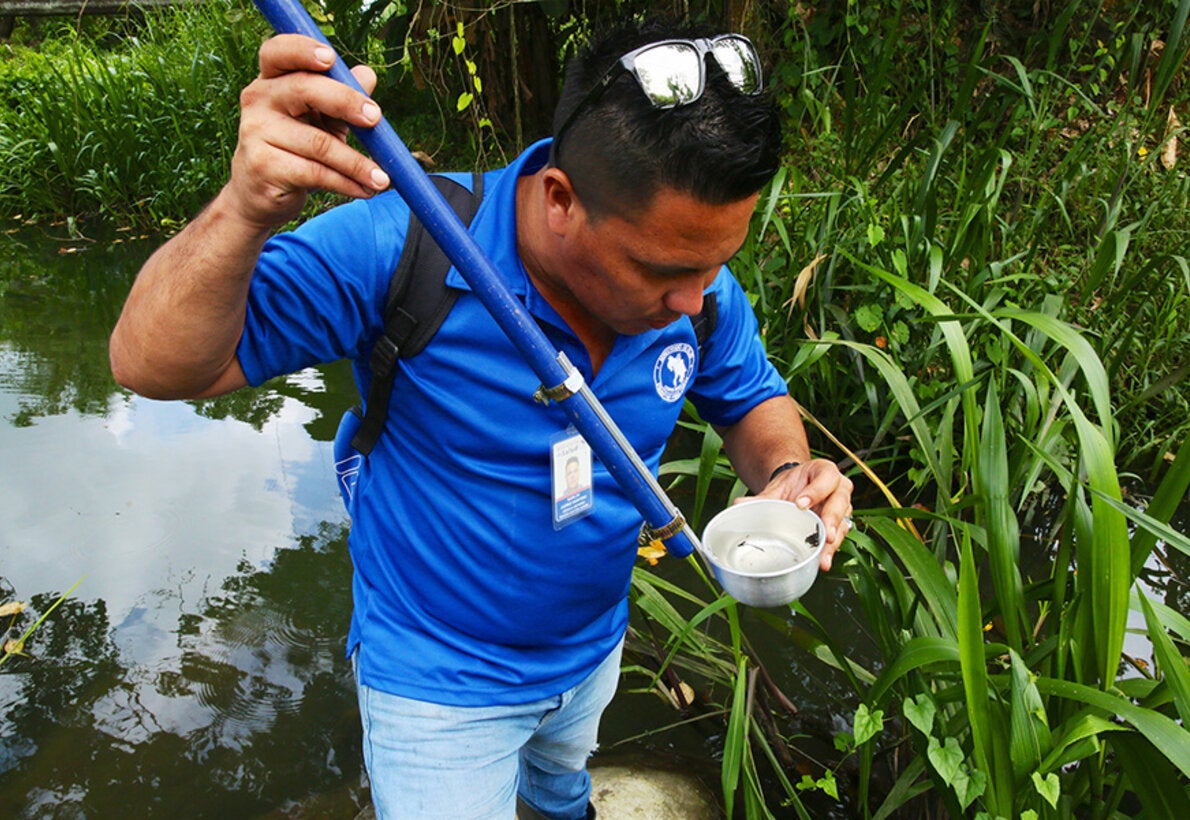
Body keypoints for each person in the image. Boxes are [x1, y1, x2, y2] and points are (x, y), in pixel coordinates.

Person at [110, 18, 854, 820]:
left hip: (592, 648)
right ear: (561, 201)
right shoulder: (409, 248)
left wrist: (786, 476)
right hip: (439, 683)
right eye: (664, 270)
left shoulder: (697, 292)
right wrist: (246, 209)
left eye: (717, 265)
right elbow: (150, 364)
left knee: (562, 793)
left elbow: (749, 397)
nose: (693, 301)